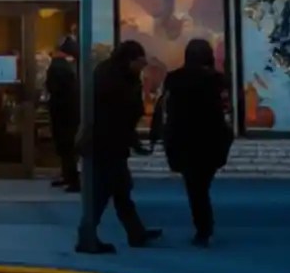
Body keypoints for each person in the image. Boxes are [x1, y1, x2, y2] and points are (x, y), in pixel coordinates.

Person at [75, 40, 162, 254]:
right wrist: (132, 139)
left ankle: (135, 232)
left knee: (120, 191)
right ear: (130, 60)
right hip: (106, 143)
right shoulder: (114, 79)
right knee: (105, 193)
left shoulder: (112, 73)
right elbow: (120, 114)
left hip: (109, 142)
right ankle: (87, 237)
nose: (142, 67)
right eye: (140, 62)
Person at [157, 39, 233, 247]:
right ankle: (204, 226)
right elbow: (226, 109)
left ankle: (203, 227)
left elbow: (168, 110)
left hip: (184, 139)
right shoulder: (217, 80)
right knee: (201, 186)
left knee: (194, 187)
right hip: (210, 139)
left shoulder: (174, 79)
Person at [45, 35, 81, 192]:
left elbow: (54, 88)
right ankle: (69, 177)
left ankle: (72, 179)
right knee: (67, 147)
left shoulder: (58, 67)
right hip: (69, 111)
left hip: (63, 112)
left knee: (66, 147)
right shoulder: (68, 67)